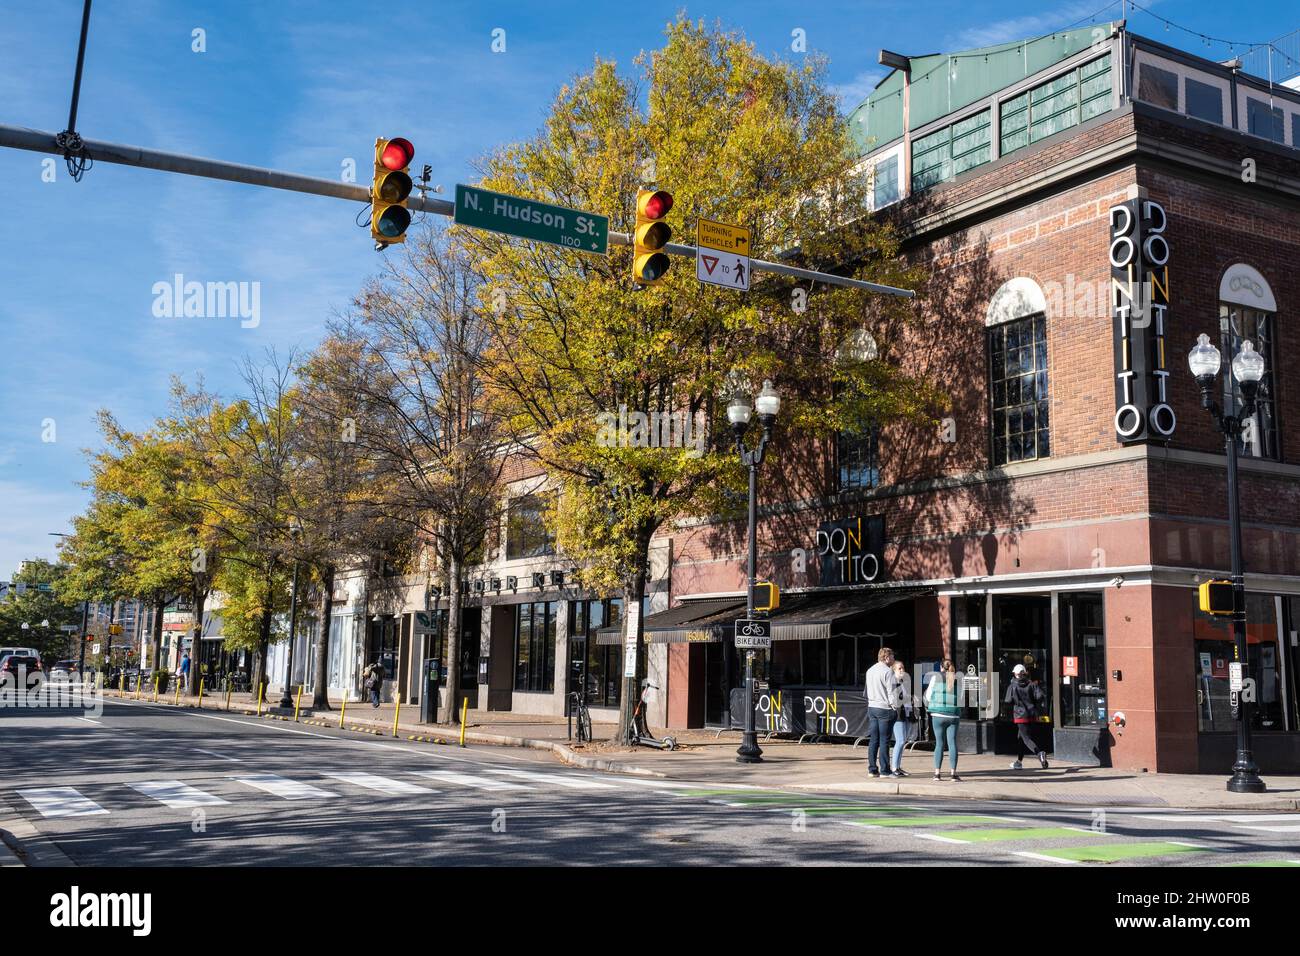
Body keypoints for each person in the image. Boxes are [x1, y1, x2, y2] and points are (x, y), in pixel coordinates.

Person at [1005, 663, 1049, 769]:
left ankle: (1040, 754)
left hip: (1020, 716)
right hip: (1031, 714)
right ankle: (1019, 762)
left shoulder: (1013, 686)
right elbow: (1040, 697)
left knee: (1026, 739)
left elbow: (1008, 700)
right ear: (1024, 673)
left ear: (1015, 674)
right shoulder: (1031, 684)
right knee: (1021, 737)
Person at [863, 647, 898, 778]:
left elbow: (866, 691)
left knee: (874, 740)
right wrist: (894, 707)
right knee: (884, 741)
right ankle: (885, 770)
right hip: (885, 708)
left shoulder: (870, 670)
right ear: (886, 657)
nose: (893, 659)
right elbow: (891, 692)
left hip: (872, 707)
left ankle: (872, 769)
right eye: (892, 656)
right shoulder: (888, 672)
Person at [926, 659, 962, 781]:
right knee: (952, 743)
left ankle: (937, 774)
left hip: (938, 713)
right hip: (953, 714)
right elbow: (961, 697)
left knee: (939, 743)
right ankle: (953, 774)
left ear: (941, 667)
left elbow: (928, 695)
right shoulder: (958, 679)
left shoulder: (935, 678)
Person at [890, 659, 916, 777]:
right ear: (894, 670)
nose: (902, 670)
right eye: (899, 668)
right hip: (897, 715)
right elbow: (894, 699)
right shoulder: (893, 682)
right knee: (900, 741)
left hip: (905, 714)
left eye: (903, 667)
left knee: (903, 741)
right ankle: (894, 767)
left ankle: (898, 767)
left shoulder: (904, 682)